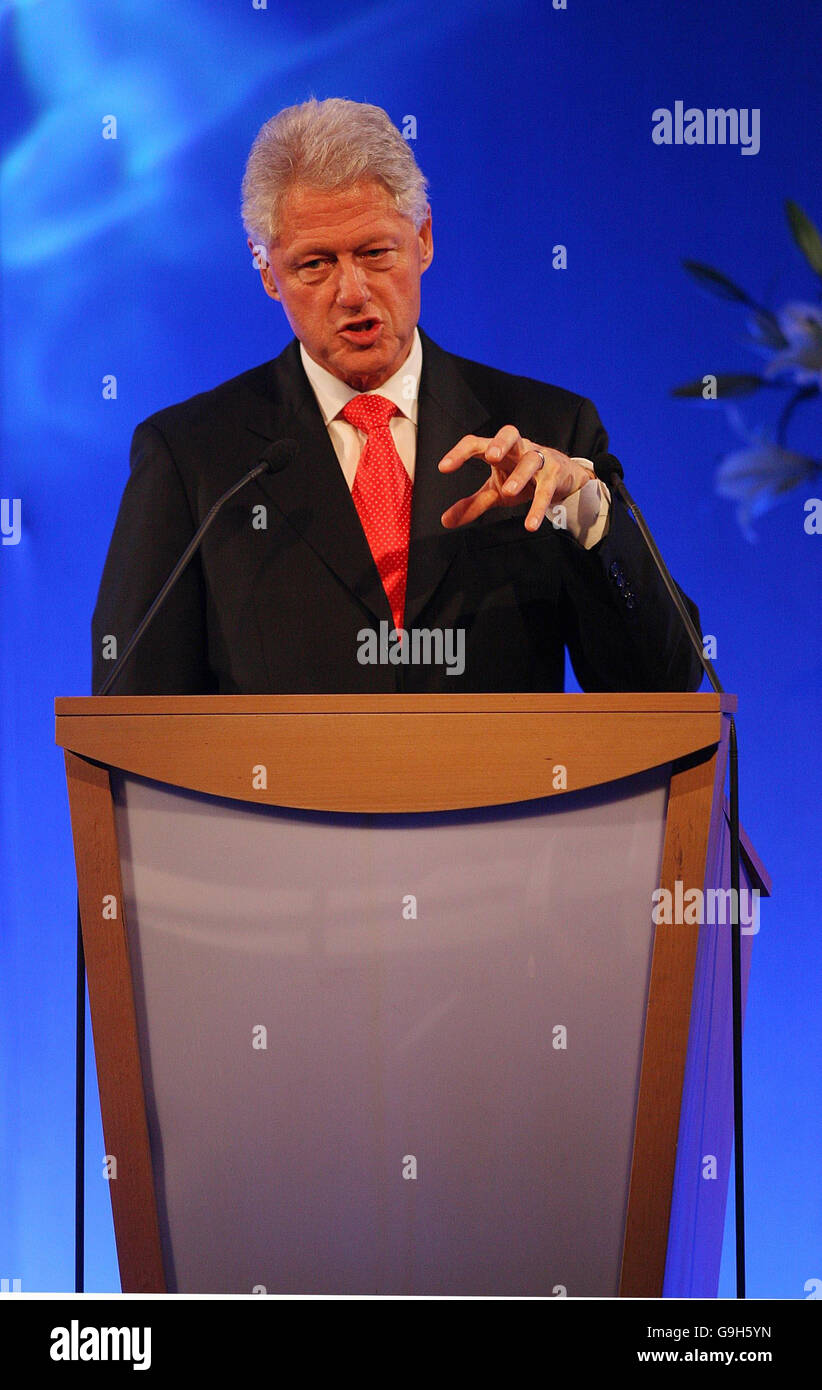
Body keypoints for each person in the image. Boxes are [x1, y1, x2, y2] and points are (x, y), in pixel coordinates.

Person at [92, 98, 702, 695]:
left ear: (424, 240)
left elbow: (663, 684)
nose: (352, 291)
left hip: (498, 799)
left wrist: (584, 511)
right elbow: (135, 717)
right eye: (315, 264)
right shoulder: (193, 457)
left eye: (375, 252)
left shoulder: (550, 429)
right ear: (267, 272)